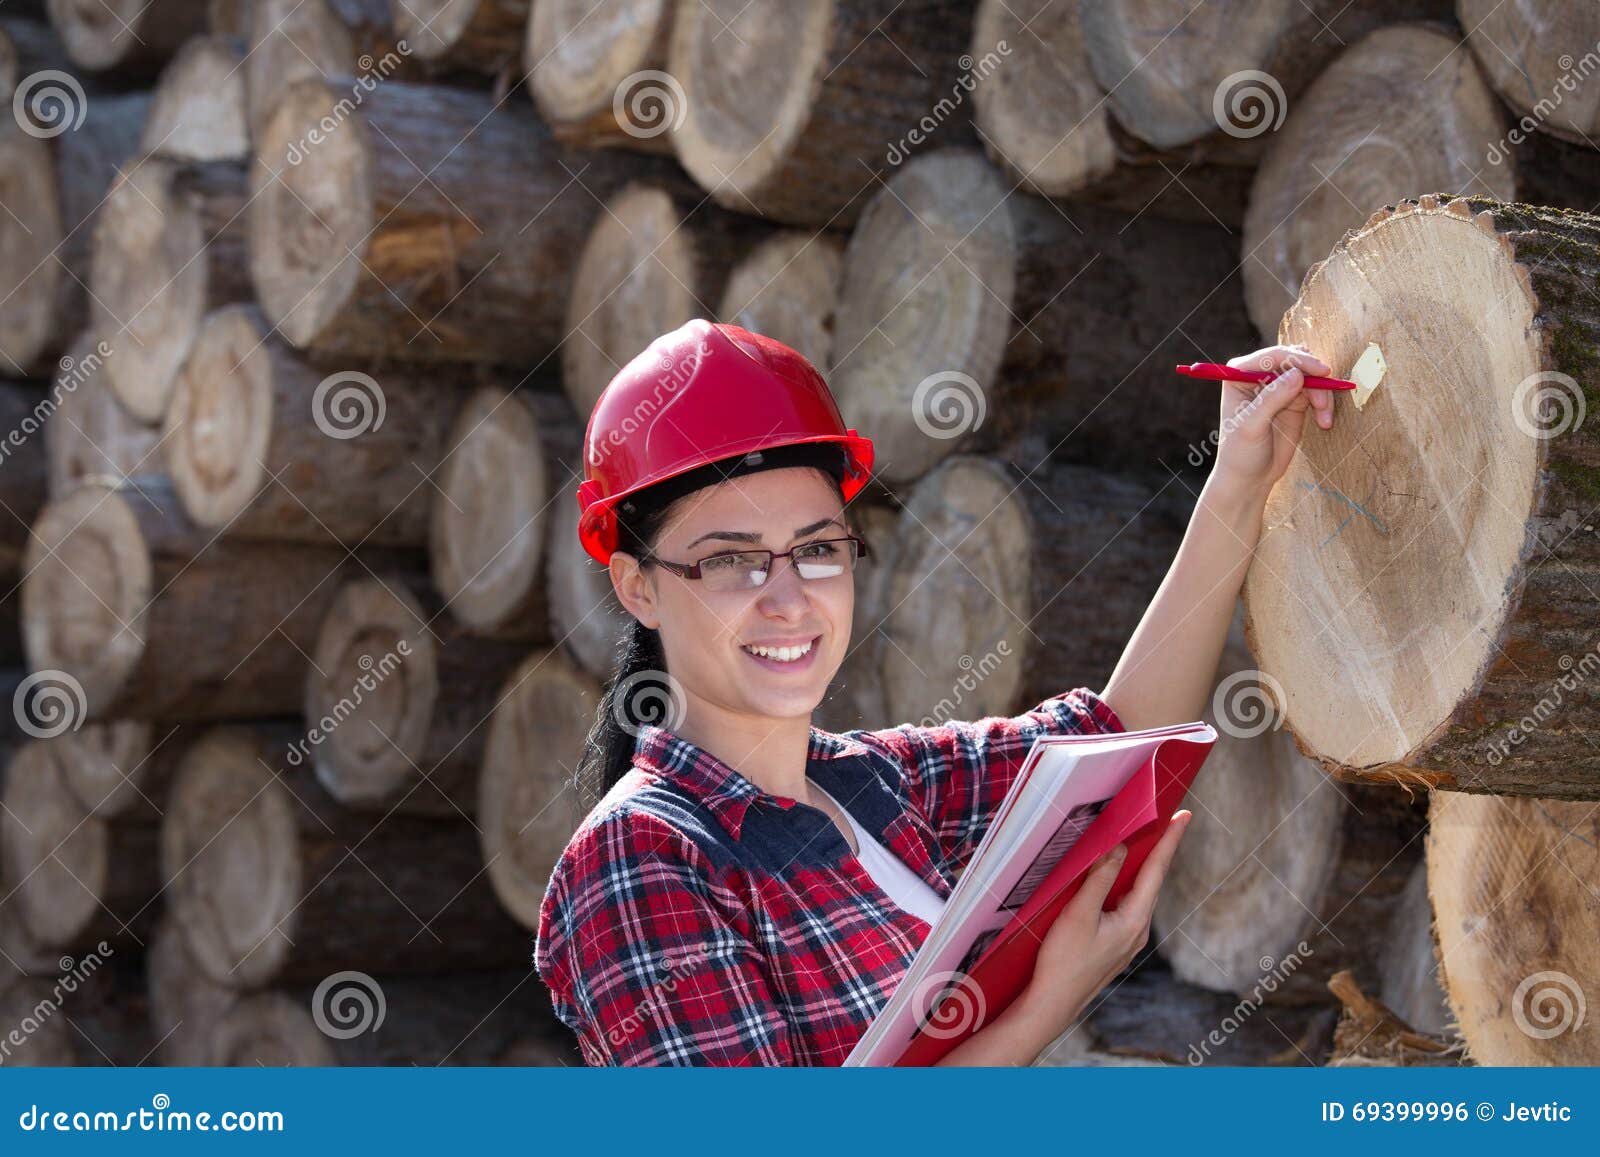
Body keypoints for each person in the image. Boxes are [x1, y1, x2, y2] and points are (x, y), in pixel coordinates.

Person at [533, 318, 1336, 1065]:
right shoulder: (636, 859)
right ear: (637, 586)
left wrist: (1237, 478)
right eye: (731, 559)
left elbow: (1115, 739)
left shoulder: (882, 784)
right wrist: (1047, 1005)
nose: (788, 598)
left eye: (817, 549)